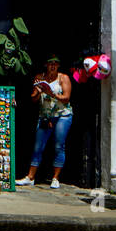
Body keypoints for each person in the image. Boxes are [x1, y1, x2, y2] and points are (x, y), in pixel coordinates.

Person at [16, 54, 72, 189]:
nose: (52, 66)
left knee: (59, 145)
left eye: (55, 63)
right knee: (38, 146)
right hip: (45, 116)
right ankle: (30, 177)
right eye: (50, 63)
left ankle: (55, 177)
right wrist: (38, 91)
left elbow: (66, 98)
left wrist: (51, 93)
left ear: (58, 66)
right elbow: (33, 99)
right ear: (46, 65)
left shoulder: (63, 78)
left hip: (61, 115)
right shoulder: (40, 77)